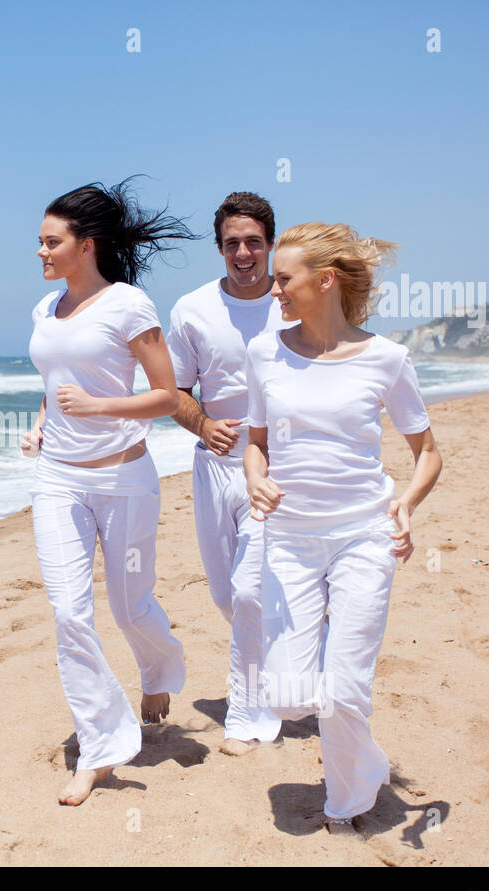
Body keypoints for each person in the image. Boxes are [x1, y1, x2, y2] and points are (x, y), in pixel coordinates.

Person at [243, 222, 442, 832]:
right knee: (285, 695)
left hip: (363, 534)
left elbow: (428, 451)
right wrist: (255, 477)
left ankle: (347, 802)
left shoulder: (387, 359)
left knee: (346, 686)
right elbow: (256, 443)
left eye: (283, 279)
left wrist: (405, 504)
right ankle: (373, 765)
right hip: (291, 539)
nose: (272, 290)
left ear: (324, 281)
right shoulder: (264, 353)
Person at [21, 179, 196, 806]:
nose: (40, 252)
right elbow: (56, 379)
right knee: (70, 613)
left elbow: (169, 395)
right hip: (59, 479)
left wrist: (99, 405)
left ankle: (159, 670)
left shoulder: (127, 304)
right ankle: (101, 746)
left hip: (124, 477)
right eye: (39, 242)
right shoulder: (45, 310)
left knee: (129, 604)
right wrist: (44, 422)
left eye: (51, 242)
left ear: (85, 245)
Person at [166, 192, 287, 757]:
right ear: (219, 249)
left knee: (247, 591)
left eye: (254, 242)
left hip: (275, 466)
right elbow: (175, 392)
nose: (244, 252)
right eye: (233, 243)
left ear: (270, 245)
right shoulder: (192, 310)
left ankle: (247, 709)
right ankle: (288, 662)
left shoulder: (294, 304)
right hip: (214, 468)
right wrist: (203, 424)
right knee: (224, 592)